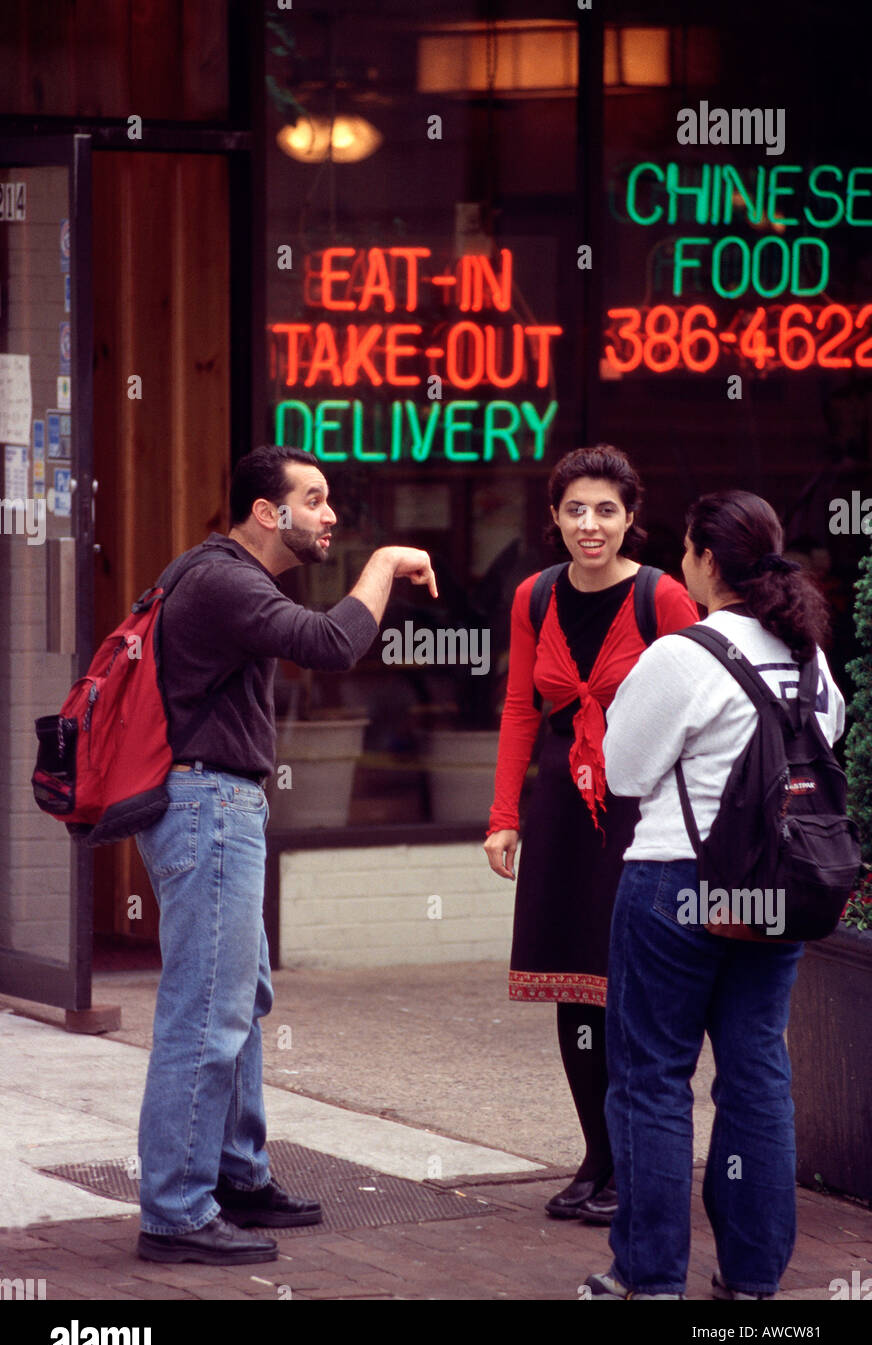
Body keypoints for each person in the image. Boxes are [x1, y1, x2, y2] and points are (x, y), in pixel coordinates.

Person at [135, 444, 436, 1265]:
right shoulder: (227, 578)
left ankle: (236, 1174)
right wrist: (382, 563)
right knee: (206, 1011)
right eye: (315, 498)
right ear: (269, 513)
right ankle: (176, 1211)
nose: (329, 512)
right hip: (207, 806)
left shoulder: (211, 573)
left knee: (240, 998)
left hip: (211, 805)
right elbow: (333, 643)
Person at [585, 489, 844, 1300]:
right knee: (757, 1074)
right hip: (774, 892)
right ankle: (752, 1279)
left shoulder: (682, 654)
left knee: (652, 1077)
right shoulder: (808, 656)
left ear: (702, 559)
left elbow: (625, 772)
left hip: (677, 883)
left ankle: (649, 1279)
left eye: (687, 551)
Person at [483, 446, 698, 1222]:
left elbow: (701, 704)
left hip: (642, 813)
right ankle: (597, 1158)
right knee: (573, 985)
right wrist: (505, 816)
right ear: (554, 518)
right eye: (575, 509)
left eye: (606, 509)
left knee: (629, 985)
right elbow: (517, 709)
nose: (590, 524)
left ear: (632, 517)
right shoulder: (535, 596)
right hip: (563, 813)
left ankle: (634, 1167)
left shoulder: (663, 598)